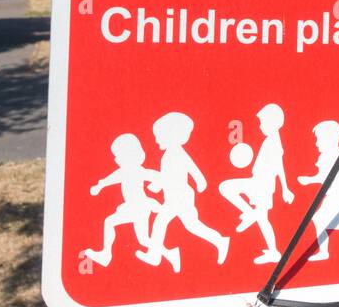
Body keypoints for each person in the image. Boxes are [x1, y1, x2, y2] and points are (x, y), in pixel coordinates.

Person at [141, 112, 229, 266]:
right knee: (189, 225)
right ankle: (220, 241)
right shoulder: (169, 154)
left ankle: (154, 255)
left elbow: (193, 171)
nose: (155, 140)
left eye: (158, 136)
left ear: (171, 135)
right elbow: (168, 177)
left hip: (180, 198)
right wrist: (157, 186)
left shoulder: (177, 153)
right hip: (174, 197)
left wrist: (200, 182)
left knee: (168, 223)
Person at [84, 133, 177, 270]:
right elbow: (112, 178)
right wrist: (100, 185)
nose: (116, 159)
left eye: (119, 156)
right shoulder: (125, 171)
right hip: (137, 208)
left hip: (138, 207)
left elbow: (157, 176)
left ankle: (106, 255)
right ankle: (170, 254)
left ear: (131, 155)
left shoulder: (137, 171)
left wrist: (158, 188)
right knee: (144, 239)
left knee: (109, 222)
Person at [219, 103, 294, 264]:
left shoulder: (273, 141)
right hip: (258, 182)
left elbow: (279, 166)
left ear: (272, 122)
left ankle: (272, 249)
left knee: (227, 188)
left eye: (262, 122)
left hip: (263, 186)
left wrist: (285, 188)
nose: (260, 126)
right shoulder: (271, 140)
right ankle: (270, 247)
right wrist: (284, 189)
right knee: (228, 189)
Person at [297, 121, 339, 261]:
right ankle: (324, 251)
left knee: (323, 220)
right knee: (320, 219)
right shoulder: (323, 157)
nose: (316, 143)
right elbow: (323, 177)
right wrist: (309, 180)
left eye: (319, 139)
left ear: (330, 138)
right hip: (333, 194)